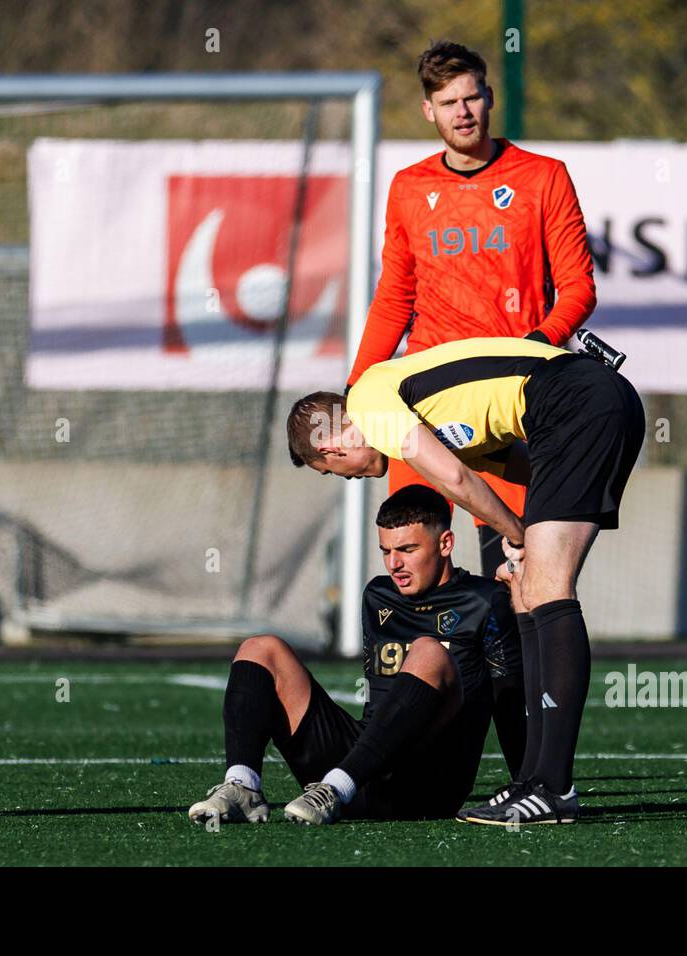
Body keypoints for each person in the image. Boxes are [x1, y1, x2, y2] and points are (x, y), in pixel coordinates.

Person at [287, 336, 645, 824]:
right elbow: (523, 466)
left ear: (330, 446)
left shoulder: (369, 401)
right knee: (529, 590)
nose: (348, 478)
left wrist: (515, 535)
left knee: (544, 588)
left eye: (331, 470)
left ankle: (553, 788)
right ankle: (534, 781)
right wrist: (523, 543)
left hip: (575, 401)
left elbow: (454, 481)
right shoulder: (434, 413)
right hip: (582, 404)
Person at [348, 40, 598, 580]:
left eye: (471, 98)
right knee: (415, 576)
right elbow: (394, 297)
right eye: (448, 102)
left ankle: (515, 666)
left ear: (489, 97)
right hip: (423, 401)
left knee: (511, 575)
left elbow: (579, 287)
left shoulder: (543, 177)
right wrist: (356, 391)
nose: (462, 112)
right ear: (428, 111)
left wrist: (540, 343)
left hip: (505, 401)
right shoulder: (409, 188)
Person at [187, 484, 523, 826]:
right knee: (260, 648)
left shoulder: (487, 599)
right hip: (358, 770)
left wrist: (523, 782)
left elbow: (509, 700)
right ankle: (244, 787)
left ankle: (337, 786)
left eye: (407, 549)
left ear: (445, 543)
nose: (395, 564)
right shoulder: (377, 594)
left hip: (426, 784)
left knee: (428, 651)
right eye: (386, 551)